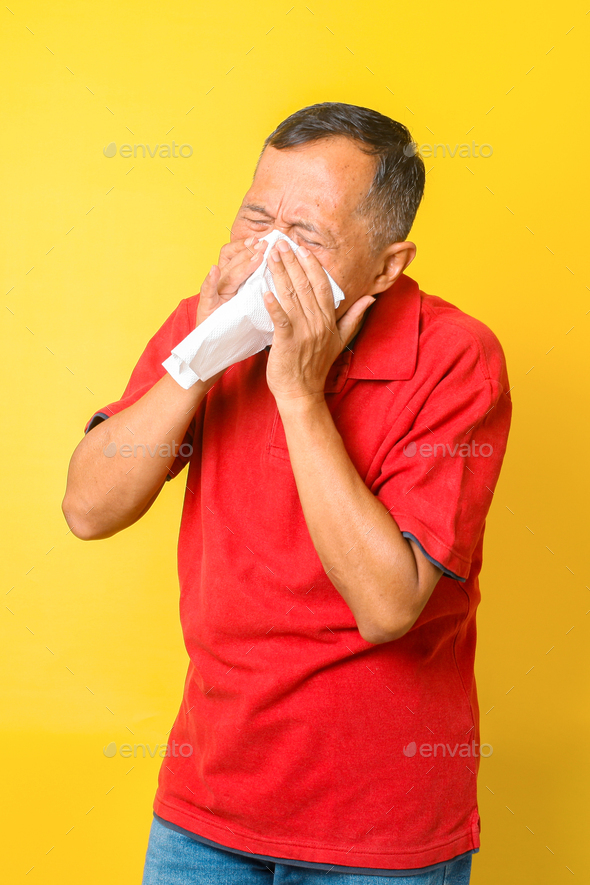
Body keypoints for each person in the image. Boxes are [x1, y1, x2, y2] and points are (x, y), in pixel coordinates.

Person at [62, 102, 512, 884]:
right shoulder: (204, 325)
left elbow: (388, 604)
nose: (269, 251)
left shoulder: (454, 357)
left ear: (387, 264)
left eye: (305, 236)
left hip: (378, 833)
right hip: (205, 809)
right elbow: (87, 508)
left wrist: (299, 395)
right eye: (256, 217)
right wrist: (200, 355)